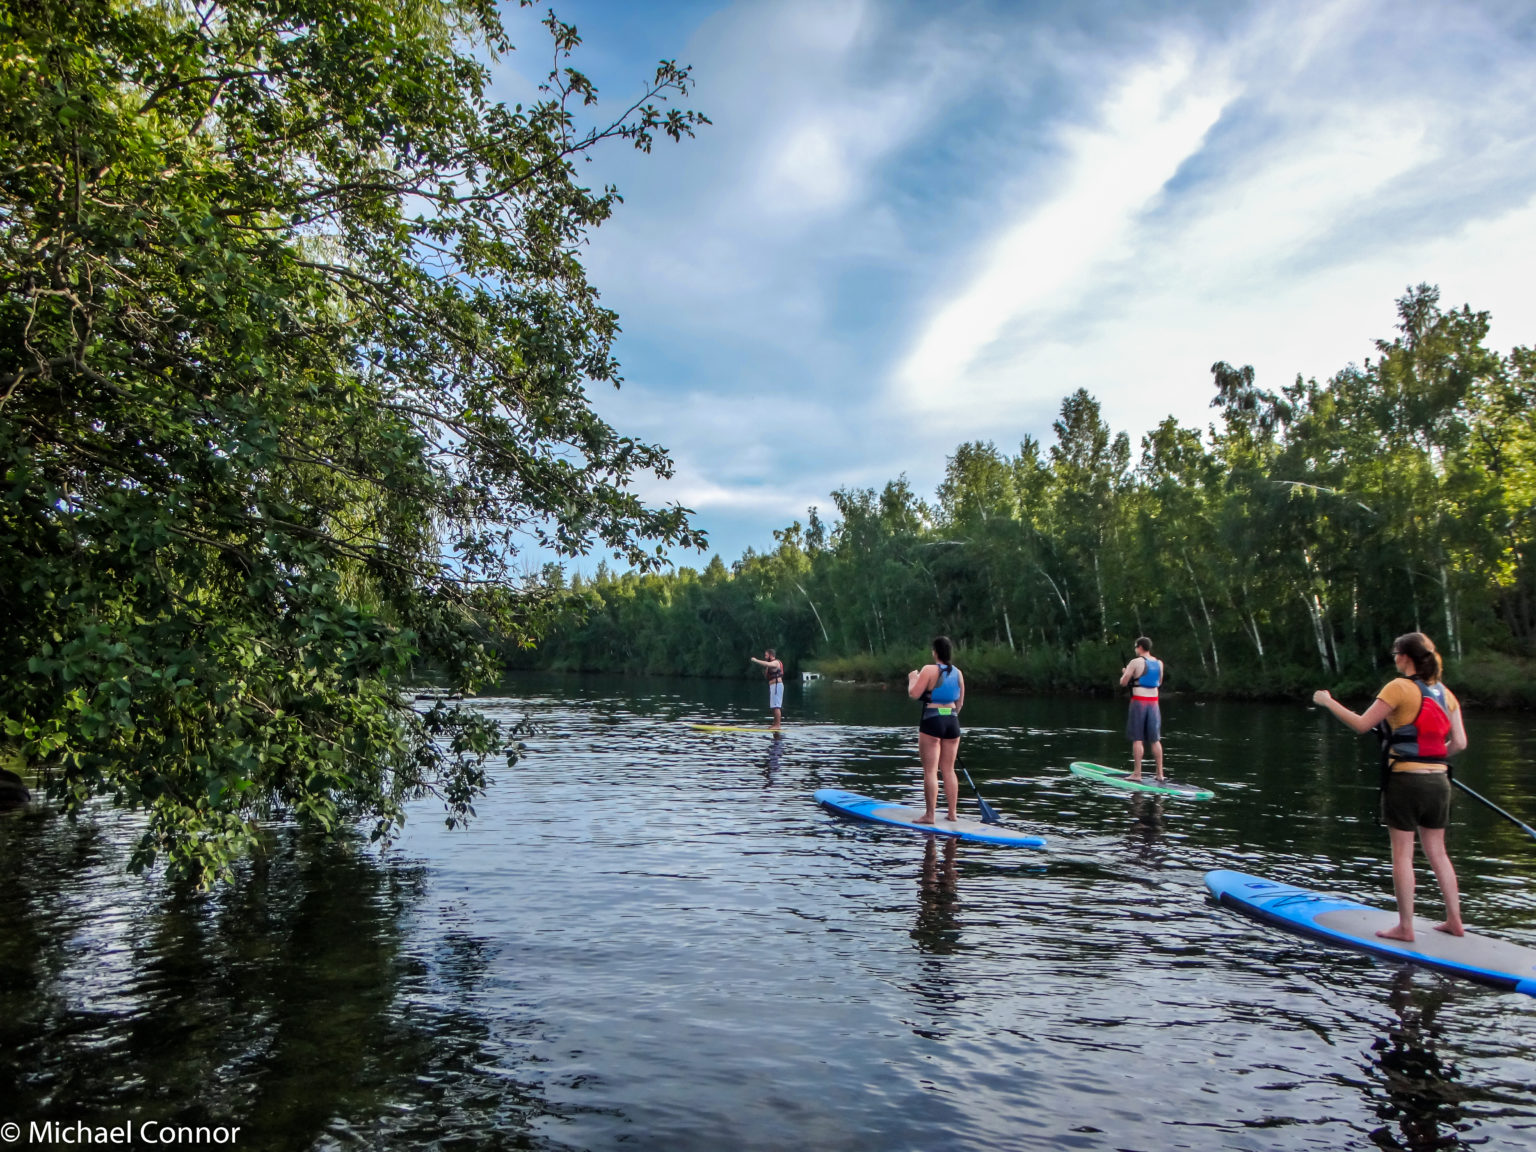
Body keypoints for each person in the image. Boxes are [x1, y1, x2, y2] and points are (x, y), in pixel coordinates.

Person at [1312, 631, 1466, 942]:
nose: (1394, 659)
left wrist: (1328, 702)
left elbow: (1361, 724)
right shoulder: (1446, 694)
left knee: (1403, 855)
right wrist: (1430, 757)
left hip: (1406, 781)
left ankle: (1406, 927)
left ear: (1406, 657)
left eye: (1396, 653)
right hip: (1439, 781)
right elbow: (1460, 743)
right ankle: (1455, 921)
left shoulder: (1398, 687)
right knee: (1438, 853)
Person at [907, 636, 965, 824]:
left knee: (930, 771)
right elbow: (959, 703)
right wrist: (947, 714)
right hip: (952, 721)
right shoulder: (958, 673)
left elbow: (914, 694)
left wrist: (912, 679)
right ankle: (952, 813)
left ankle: (930, 815)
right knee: (948, 769)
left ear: (935, 652)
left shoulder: (929, 670)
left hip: (932, 720)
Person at [1118, 637, 1164, 782]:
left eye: (1135, 647)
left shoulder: (1135, 662)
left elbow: (1123, 682)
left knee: (1138, 739)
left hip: (1139, 703)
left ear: (1139, 647)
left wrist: (1126, 673)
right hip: (1154, 703)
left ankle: (1137, 774)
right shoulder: (1159, 663)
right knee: (1155, 740)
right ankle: (1160, 774)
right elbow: (1159, 682)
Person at [749, 648, 785, 729]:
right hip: (773, 686)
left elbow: (766, 664)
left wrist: (756, 660)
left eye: (766, 655)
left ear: (771, 655)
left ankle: (777, 725)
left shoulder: (776, 662)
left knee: (776, 706)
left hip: (777, 685)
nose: (765, 657)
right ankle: (775, 724)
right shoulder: (770, 664)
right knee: (773, 706)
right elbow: (767, 673)